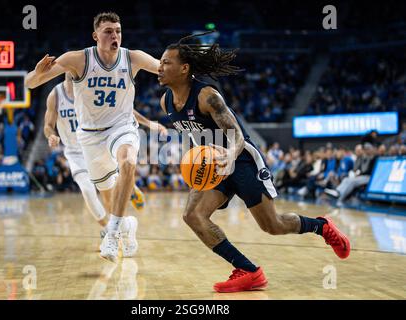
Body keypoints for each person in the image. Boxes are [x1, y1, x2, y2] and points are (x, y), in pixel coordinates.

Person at [157, 32, 350, 293]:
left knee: (273, 226)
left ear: (184, 68)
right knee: (193, 215)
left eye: (166, 62)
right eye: (160, 61)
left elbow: (236, 133)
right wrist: (193, 166)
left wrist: (230, 154)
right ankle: (249, 271)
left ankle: (322, 227)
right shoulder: (166, 101)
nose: (160, 66)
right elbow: (196, 135)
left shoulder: (207, 96)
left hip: (242, 159)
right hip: (215, 165)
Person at [25, 12, 160, 262]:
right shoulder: (78, 59)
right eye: (108, 31)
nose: (114, 35)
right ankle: (126, 225)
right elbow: (31, 83)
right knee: (107, 199)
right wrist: (35, 73)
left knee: (129, 162)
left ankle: (111, 234)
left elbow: (164, 68)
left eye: (118, 30)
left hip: (121, 128)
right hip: (89, 137)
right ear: (95, 36)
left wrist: (188, 66)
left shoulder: (132, 57)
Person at [44, 73, 167, 238]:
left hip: (96, 143)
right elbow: (48, 125)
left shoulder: (92, 88)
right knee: (88, 190)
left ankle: (128, 186)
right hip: (75, 152)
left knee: (110, 184)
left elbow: (124, 110)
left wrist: (149, 123)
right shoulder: (56, 95)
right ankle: (109, 228)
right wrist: (51, 135)